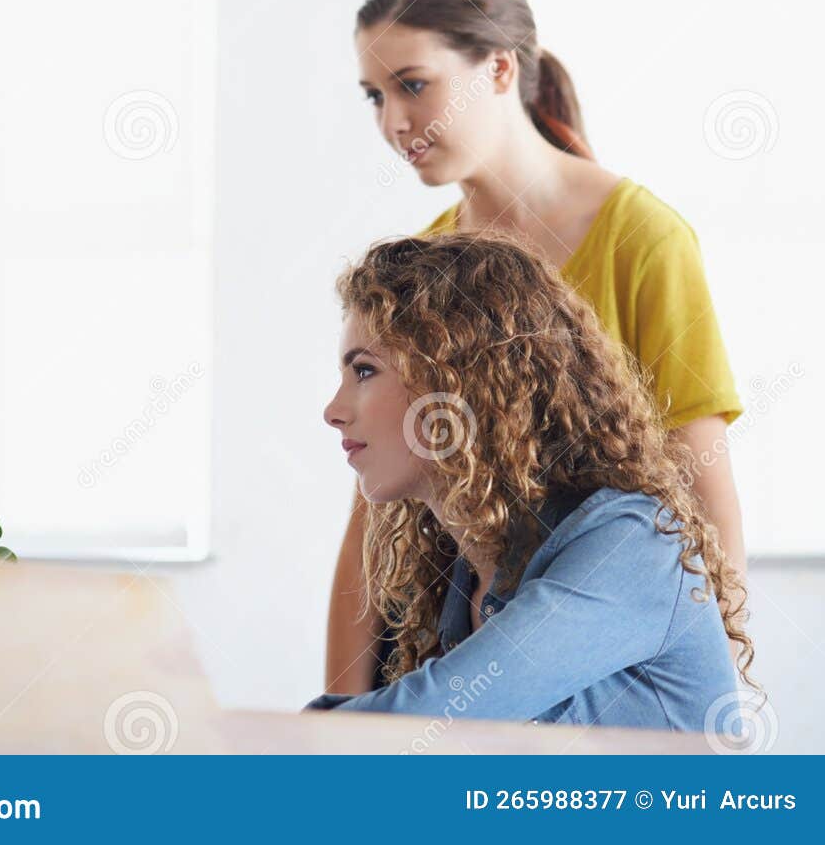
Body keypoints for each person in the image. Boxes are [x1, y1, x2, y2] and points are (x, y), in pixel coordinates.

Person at [326, 0, 745, 696]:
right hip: (450, 632)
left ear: (498, 69)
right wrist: (335, 712)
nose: (393, 122)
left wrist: (717, 697)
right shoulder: (427, 261)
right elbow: (373, 517)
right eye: (374, 96)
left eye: (413, 85)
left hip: (590, 651)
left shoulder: (643, 239)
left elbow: (700, 491)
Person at [306, 231, 758, 730]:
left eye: (364, 371)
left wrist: (263, 738)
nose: (333, 411)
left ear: (462, 380)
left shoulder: (631, 542)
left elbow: (430, 717)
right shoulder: (467, 567)